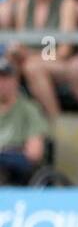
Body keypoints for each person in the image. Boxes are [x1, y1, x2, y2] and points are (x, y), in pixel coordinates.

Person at [0, 55, 48, 185]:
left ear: (16, 80)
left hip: (15, 169)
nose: (1, 83)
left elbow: (34, 153)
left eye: (5, 77)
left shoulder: (29, 109)